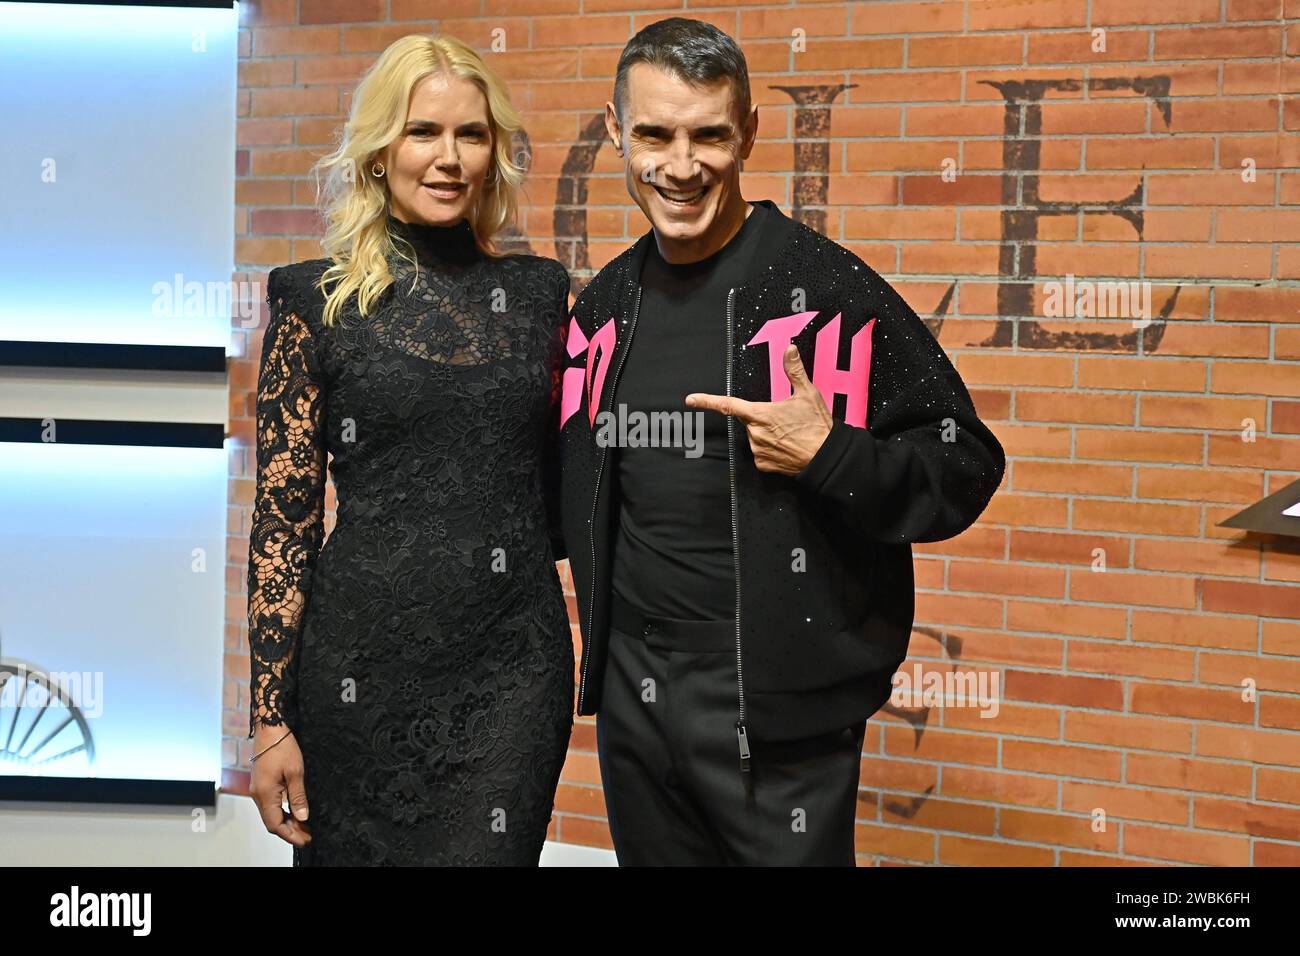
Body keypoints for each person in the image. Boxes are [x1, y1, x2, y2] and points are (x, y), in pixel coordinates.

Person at [558, 18, 1006, 865]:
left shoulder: (827, 289)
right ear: (615, 132)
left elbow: (965, 462)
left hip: (782, 720)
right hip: (634, 708)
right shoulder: (606, 307)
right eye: (653, 133)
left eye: (710, 135)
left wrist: (833, 454)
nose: (681, 165)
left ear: (751, 133)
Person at [245, 33, 573, 865]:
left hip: (511, 676)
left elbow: (581, 479)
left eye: (472, 134)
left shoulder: (541, 298)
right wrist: (269, 720)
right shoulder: (310, 304)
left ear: (495, 150)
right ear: (379, 149)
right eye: (423, 131)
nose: (449, 157)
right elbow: (282, 525)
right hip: (356, 677)